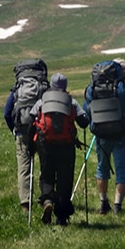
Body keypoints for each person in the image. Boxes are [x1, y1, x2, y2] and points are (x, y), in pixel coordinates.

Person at [29, 73, 90, 226]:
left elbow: (31, 119)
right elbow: (83, 122)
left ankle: (48, 200)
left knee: (47, 175)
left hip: (46, 144)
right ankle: (62, 217)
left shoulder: (43, 100)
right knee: (65, 179)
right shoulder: (71, 101)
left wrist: (31, 146)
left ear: (51, 85)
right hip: (66, 145)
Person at [84, 58, 125, 215]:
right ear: (120, 70)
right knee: (122, 169)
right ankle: (117, 205)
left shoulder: (93, 87)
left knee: (102, 167)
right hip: (121, 133)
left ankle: (103, 202)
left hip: (101, 134)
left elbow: (87, 108)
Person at [4, 59, 49, 214]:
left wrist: (14, 129)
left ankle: (25, 204)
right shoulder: (44, 87)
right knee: (45, 165)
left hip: (22, 130)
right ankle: (46, 198)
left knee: (24, 166)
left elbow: (7, 113)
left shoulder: (18, 89)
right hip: (41, 131)